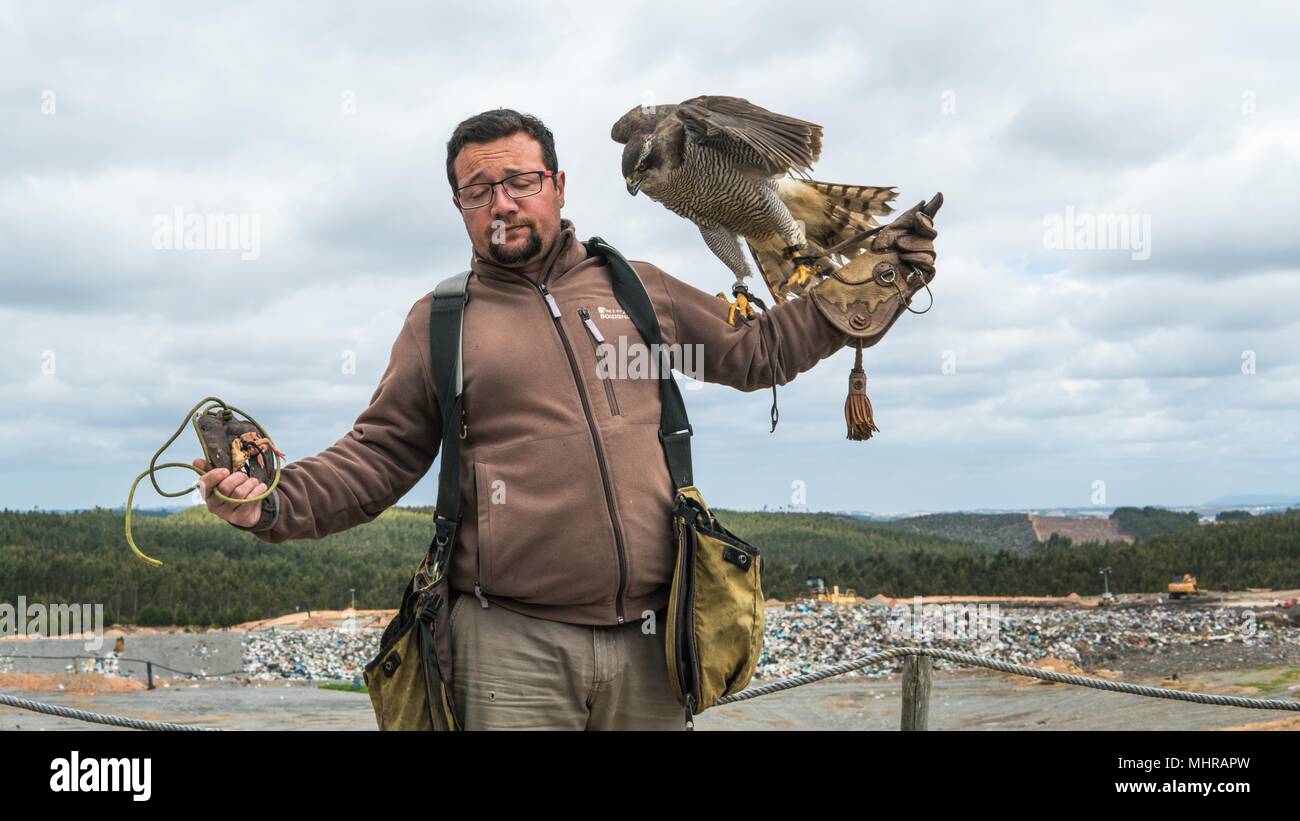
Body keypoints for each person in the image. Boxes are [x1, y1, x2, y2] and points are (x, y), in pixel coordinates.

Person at [195, 108, 937, 730]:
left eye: (519, 182)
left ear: (556, 184)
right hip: (509, 648)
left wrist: (877, 284)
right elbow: (378, 456)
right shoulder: (442, 323)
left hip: (653, 641)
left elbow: (755, 352)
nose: (502, 204)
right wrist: (274, 501)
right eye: (477, 191)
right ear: (458, 206)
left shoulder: (637, 290)